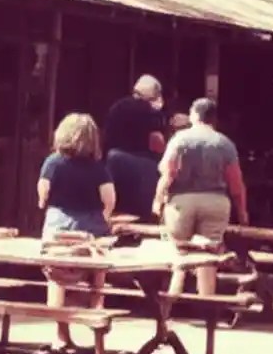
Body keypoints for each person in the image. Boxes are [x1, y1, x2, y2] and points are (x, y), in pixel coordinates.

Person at [154, 98, 249, 296]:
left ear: (194, 115)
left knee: (179, 252)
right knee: (209, 254)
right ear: (214, 119)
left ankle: (171, 304)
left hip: (182, 201)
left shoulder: (179, 139)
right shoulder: (225, 143)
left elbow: (168, 172)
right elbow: (236, 182)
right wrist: (242, 211)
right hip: (215, 201)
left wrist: (158, 199)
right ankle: (207, 304)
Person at [36, 113, 114, 351]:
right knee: (97, 267)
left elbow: (43, 196)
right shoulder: (98, 168)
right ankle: (96, 305)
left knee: (56, 276)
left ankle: (60, 334)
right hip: (91, 225)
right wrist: (105, 217)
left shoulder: (53, 162)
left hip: (59, 222)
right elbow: (109, 199)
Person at [103, 75, 167, 220]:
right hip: (142, 164)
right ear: (153, 94)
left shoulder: (117, 107)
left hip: (114, 160)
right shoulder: (151, 111)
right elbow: (157, 142)